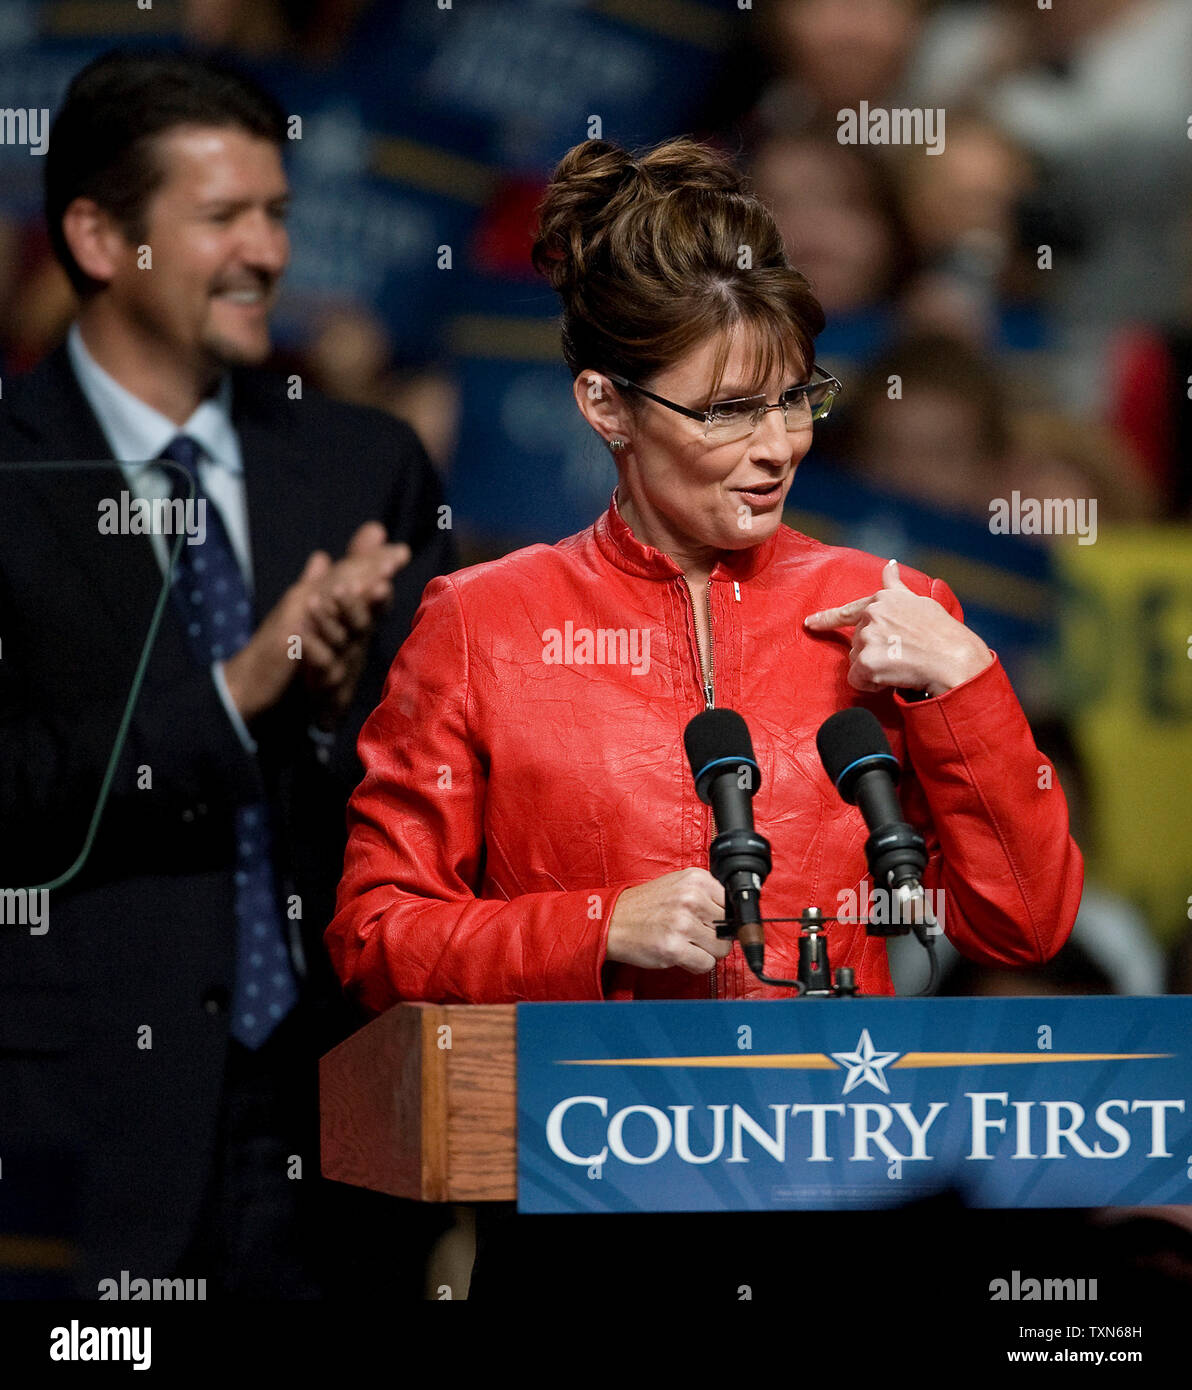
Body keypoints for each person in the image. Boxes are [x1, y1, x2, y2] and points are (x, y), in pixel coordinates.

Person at [326, 136, 1084, 1298]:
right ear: (603, 404)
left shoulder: (891, 610)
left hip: (852, 1216)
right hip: (588, 1225)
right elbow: (376, 935)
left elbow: (1024, 927)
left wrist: (970, 688)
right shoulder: (481, 623)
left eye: (793, 398)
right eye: (729, 410)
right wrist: (594, 929)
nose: (776, 445)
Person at [0, 49, 455, 1298]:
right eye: (222, 218)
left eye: (278, 214)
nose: (266, 251)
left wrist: (331, 707)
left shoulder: (366, 466)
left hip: (345, 1121)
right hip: (76, 1133)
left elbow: (443, 791)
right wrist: (233, 693)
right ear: (98, 235)